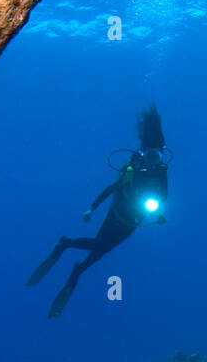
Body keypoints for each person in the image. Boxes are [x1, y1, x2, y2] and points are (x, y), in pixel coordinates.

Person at [28, 105, 169, 318]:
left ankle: (76, 268)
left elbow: (162, 195)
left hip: (134, 221)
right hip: (118, 215)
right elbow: (111, 188)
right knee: (100, 246)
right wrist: (92, 208)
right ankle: (66, 246)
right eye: (148, 155)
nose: (151, 160)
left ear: (161, 154)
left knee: (101, 251)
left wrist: (156, 213)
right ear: (143, 152)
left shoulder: (161, 172)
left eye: (155, 156)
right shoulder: (131, 169)